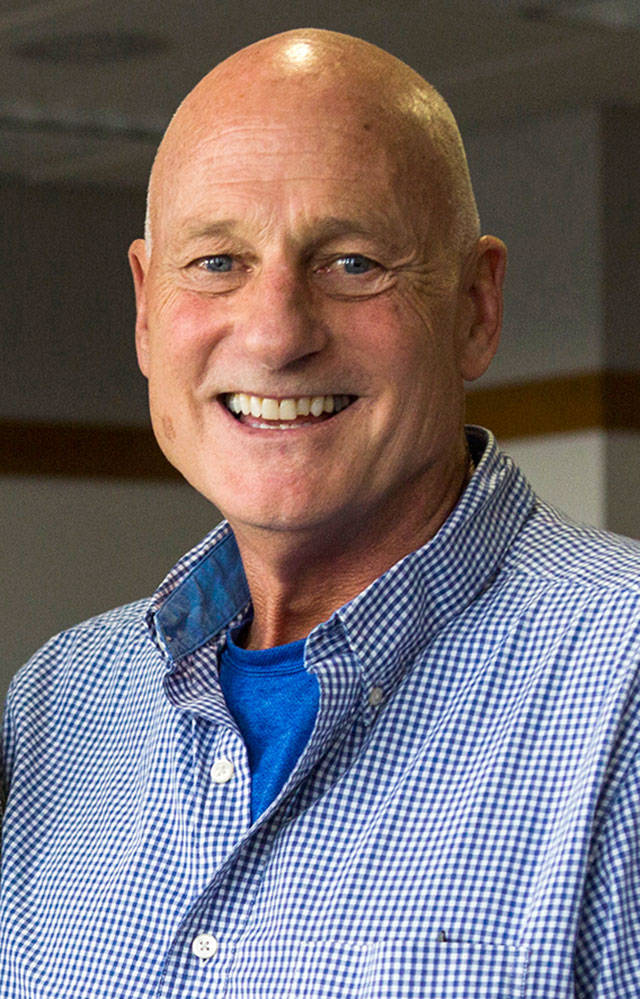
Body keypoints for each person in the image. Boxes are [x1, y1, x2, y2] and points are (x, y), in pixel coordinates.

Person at [1, 27, 639, 999]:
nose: (274, 331)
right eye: (216, 261)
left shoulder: (621, 693)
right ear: (144, 307)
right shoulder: (59, 705)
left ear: (474, 305)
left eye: (351, 263)